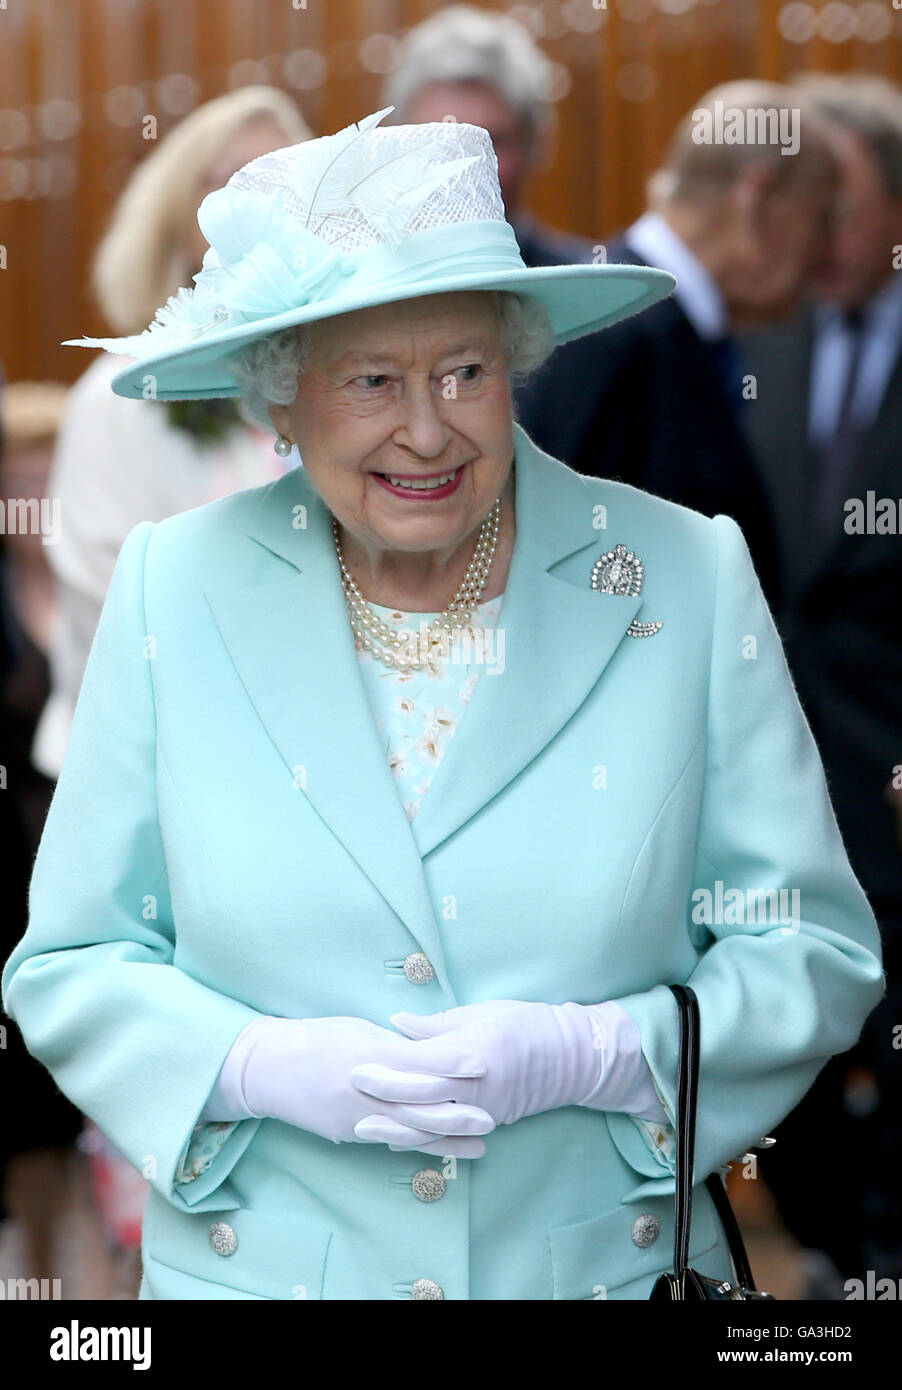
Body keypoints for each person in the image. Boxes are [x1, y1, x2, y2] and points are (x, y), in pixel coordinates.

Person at [2, 108, 883, 1301]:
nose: (427, 428)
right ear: (281, 397)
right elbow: (74, 958)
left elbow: (811, 948)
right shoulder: (176, 584)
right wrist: (251, 1066)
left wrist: (609, 1054)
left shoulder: (678, 574)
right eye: (369, 379)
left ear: (516, 365)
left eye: (464, 370)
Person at [739, 73, 902, 1292]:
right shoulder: (752, 340)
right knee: (780, 1058)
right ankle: (828, 1265)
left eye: (832, 200)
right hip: (774, 787)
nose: (810, 228)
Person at [32, 85, 312, 780]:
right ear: (182, 214)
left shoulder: (337, 381)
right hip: (155, 774)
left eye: (288, 183)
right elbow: (104, 629)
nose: (267, 207)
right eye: (240, 183)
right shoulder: (119, 397)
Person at [516, 81, 840, 609]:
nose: (826, 253)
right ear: (755, 200)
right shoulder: (608, 333)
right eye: (821, 217)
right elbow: (540, 561)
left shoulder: (686, 332)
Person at [382, 3, 592, 265]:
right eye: (437, 144)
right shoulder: (355, 295)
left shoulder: (588, 288)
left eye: (488, 145)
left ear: (535, 145)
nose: (462, 172)